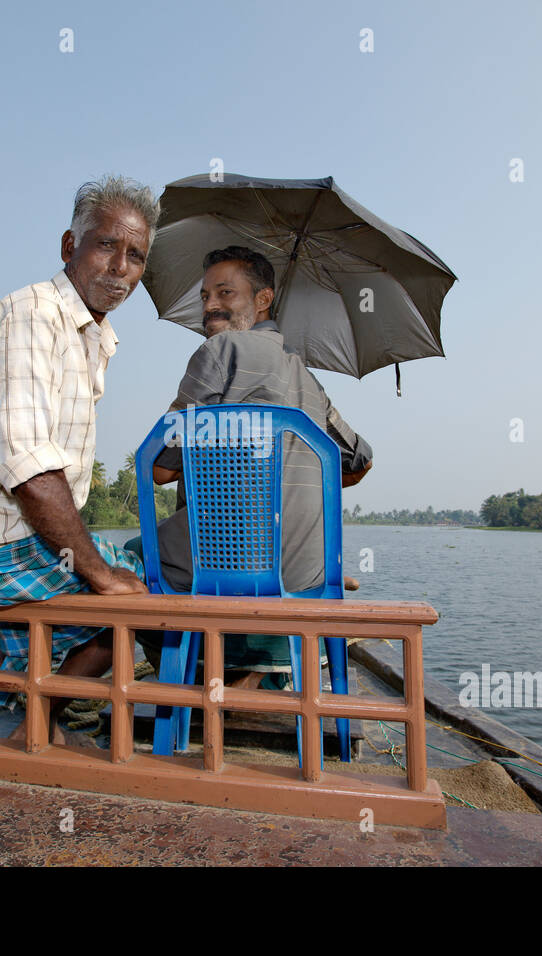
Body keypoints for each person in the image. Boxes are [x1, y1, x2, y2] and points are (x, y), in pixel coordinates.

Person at [0, 174, 158, 748]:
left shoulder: (93, 337)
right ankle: (35, 732)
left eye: (136, 255)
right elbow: (30, 468)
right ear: (69, 247)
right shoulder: (32, 318)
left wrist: (93, 562)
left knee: (104, 575)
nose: (120, 266)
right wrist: (99, 574)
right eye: (106, 245)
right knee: (134, 601)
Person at [132, 245, 372, 689]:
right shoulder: (310, 382)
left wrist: (183, 422)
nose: (210, 306)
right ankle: (249, 670)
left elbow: (159, 472)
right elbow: (359, 464)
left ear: (263, 300)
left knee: (126, 558)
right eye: (204, 296)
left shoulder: (220, 351)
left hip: (228, 563)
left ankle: (186, 676)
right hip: (306, 573)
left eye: (226, 293)